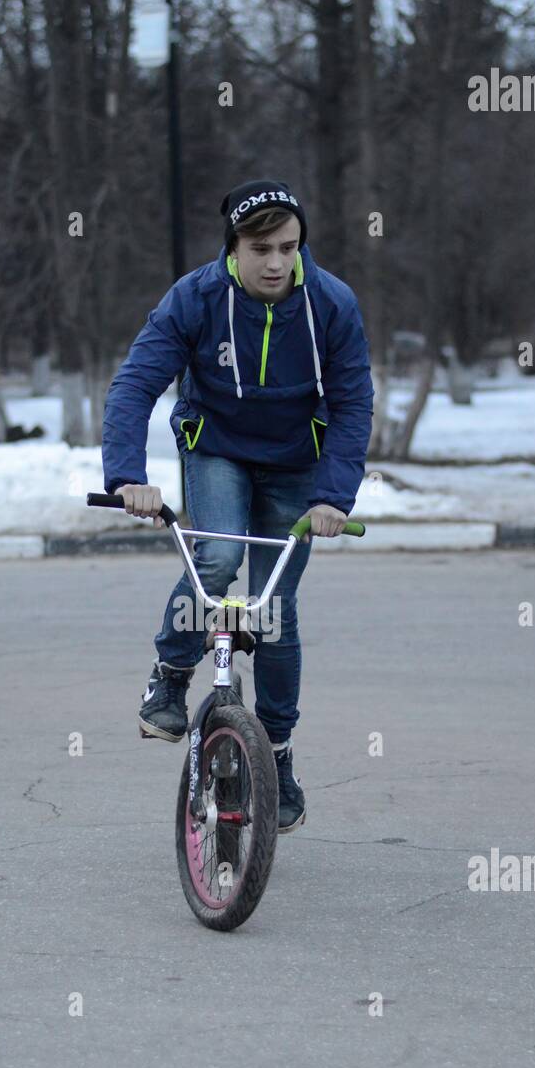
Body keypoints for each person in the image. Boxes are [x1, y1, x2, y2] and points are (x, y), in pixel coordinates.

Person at [101, 178, 374, 833]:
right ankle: (169, 675)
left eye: (287, 246)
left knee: (274, 608)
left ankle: (275, 754)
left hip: (295, 465)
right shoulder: (194, 299)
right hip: (216, 450)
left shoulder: (330, 304)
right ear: (234, 248)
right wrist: (126, 477)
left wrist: (334, 497)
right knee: (217, 557)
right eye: (261, 248)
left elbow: (352, 403)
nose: (277, 262)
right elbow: (136, 383)